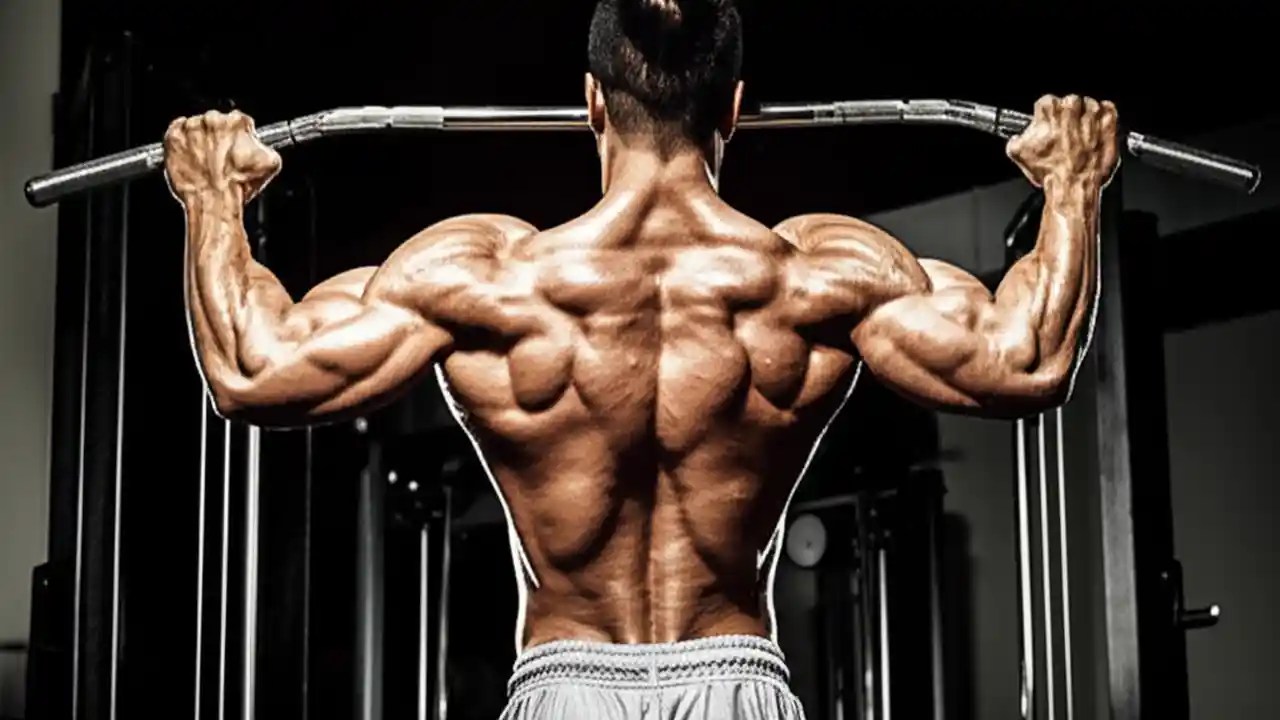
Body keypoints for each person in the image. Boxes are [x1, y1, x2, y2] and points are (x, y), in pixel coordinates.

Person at [161, 0, 1117, 716]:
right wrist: (1072, 184)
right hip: (733, 680)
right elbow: (1025, 359)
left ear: (591, 103)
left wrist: (212, 199)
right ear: (735, 108)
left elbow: (253, 367)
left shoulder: (489, 278)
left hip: (566, 683)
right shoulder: (817, 276)